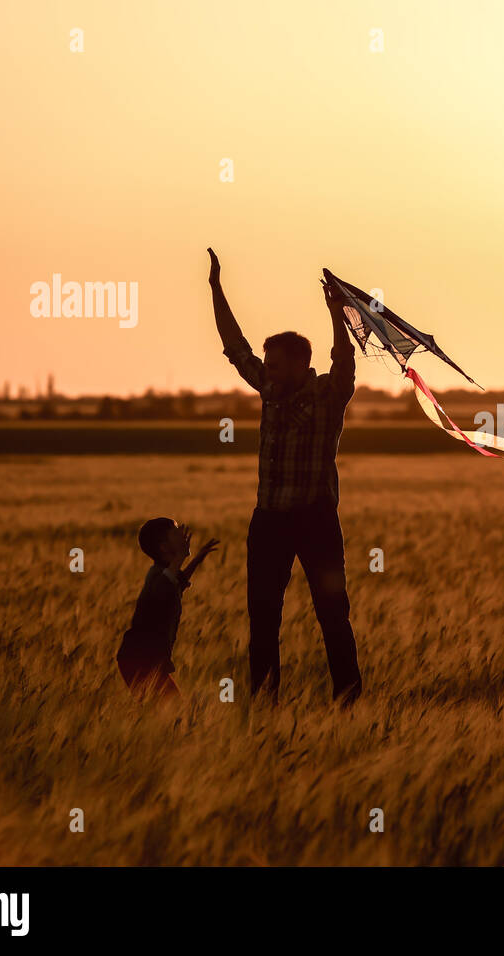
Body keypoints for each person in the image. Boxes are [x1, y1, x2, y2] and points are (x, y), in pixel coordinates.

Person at [206, 247, 363, 707]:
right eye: (266, 365)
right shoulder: (270, 390)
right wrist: (216, 287)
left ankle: (349, 702)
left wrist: (337, 313)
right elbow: (235, 347)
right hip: (268, 521)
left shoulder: (327, 395)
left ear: (299, 364)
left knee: (333, 616)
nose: (266, 372)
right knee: (262, 619)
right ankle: (263, 704)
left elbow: (343, 361)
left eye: (274, 365)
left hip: (315, 522)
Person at [117, 517, 219, 698]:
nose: (182, 535)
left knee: (165, 712)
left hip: (144, 659)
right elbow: (164, 588)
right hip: (140, 659)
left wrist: (195, 560)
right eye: (176, 532)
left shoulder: (163, 573)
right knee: (172, 711)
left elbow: (175, 585)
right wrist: (181, 557)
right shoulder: (157, 576)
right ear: (164, 548)